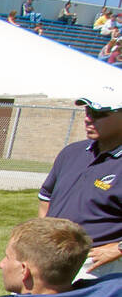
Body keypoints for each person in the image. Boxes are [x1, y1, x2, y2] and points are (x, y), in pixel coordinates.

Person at [39, 88, 122, 277]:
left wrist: (118, 248)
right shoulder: (72, 153)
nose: (88, 119)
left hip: (94, 265)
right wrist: (42, 238)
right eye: (87, 112)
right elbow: (46, 197)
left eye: (99, 114)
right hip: (50, 255)